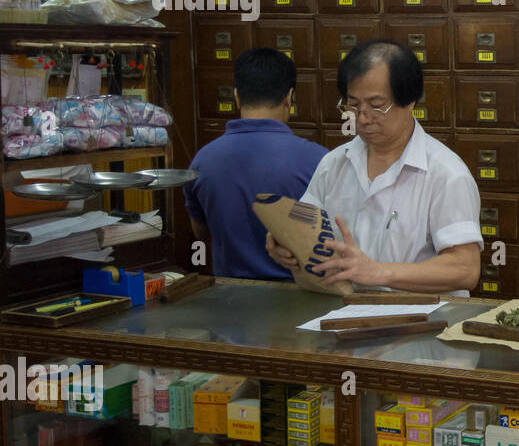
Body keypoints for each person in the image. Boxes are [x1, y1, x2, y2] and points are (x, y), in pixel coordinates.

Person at [266, 40, 482, 294]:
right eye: (354, 104)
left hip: (420, 324)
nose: (363, 118)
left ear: (410, 100)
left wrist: (379, 273)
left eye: (377, 105)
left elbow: (466, 269)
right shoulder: (334, 164)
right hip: (342, 316)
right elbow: (305, 226)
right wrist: (284, 241)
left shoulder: (446, 174)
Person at [184, 48, 328, 279]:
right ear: (289, 97)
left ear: (237, 97)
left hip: (228, 298)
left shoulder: (202, 160)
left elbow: (200, 231)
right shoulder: (320, 160)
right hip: (300, 302)